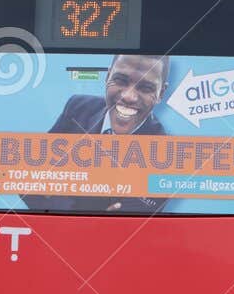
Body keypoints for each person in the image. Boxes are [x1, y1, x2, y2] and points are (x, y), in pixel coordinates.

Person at [28, 54, 172, 214]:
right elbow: (29, 179)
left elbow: (119, 226)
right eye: (121, 80)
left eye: (145, 88)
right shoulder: (77, 107)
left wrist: (56, 194)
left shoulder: (165, 156)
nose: (128, 96)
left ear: (161, 93)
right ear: (107, 76)